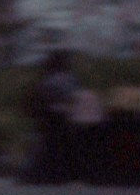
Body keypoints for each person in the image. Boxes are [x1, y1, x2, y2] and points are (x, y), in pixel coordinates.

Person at [24, 50, 92, 186]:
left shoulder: (50, 80)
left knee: (46, 146)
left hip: (52, 119)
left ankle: (40, 174)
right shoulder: (70, 79)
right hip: (63, 119)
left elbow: (41, 99)